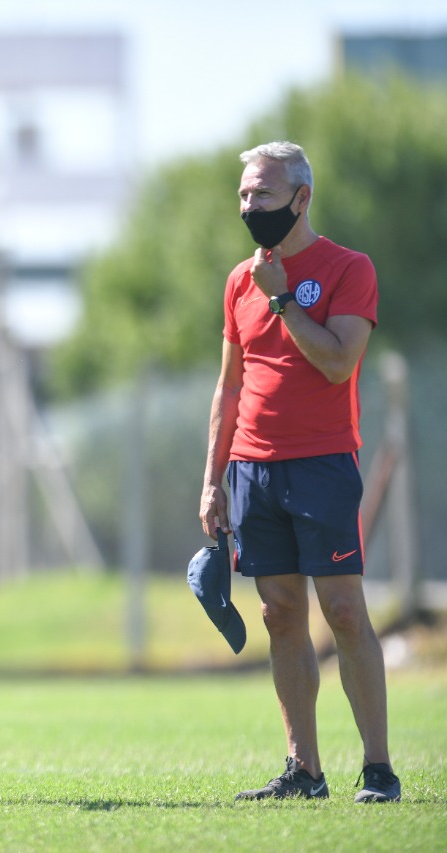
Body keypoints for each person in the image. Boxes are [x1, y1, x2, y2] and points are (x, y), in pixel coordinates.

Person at [199, 141, 399, 803]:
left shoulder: (348, 268)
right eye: (244, 196)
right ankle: (304, 770)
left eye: (261, 194)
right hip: (252, 469)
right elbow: (228, 389)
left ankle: (378, 769)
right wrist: (212, 479)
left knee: (343, 610)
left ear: (301, 197)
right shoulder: (239, 280)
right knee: (279, 613)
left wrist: (284, 301)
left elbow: (339, 361)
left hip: (321, 463)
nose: (249, 207)